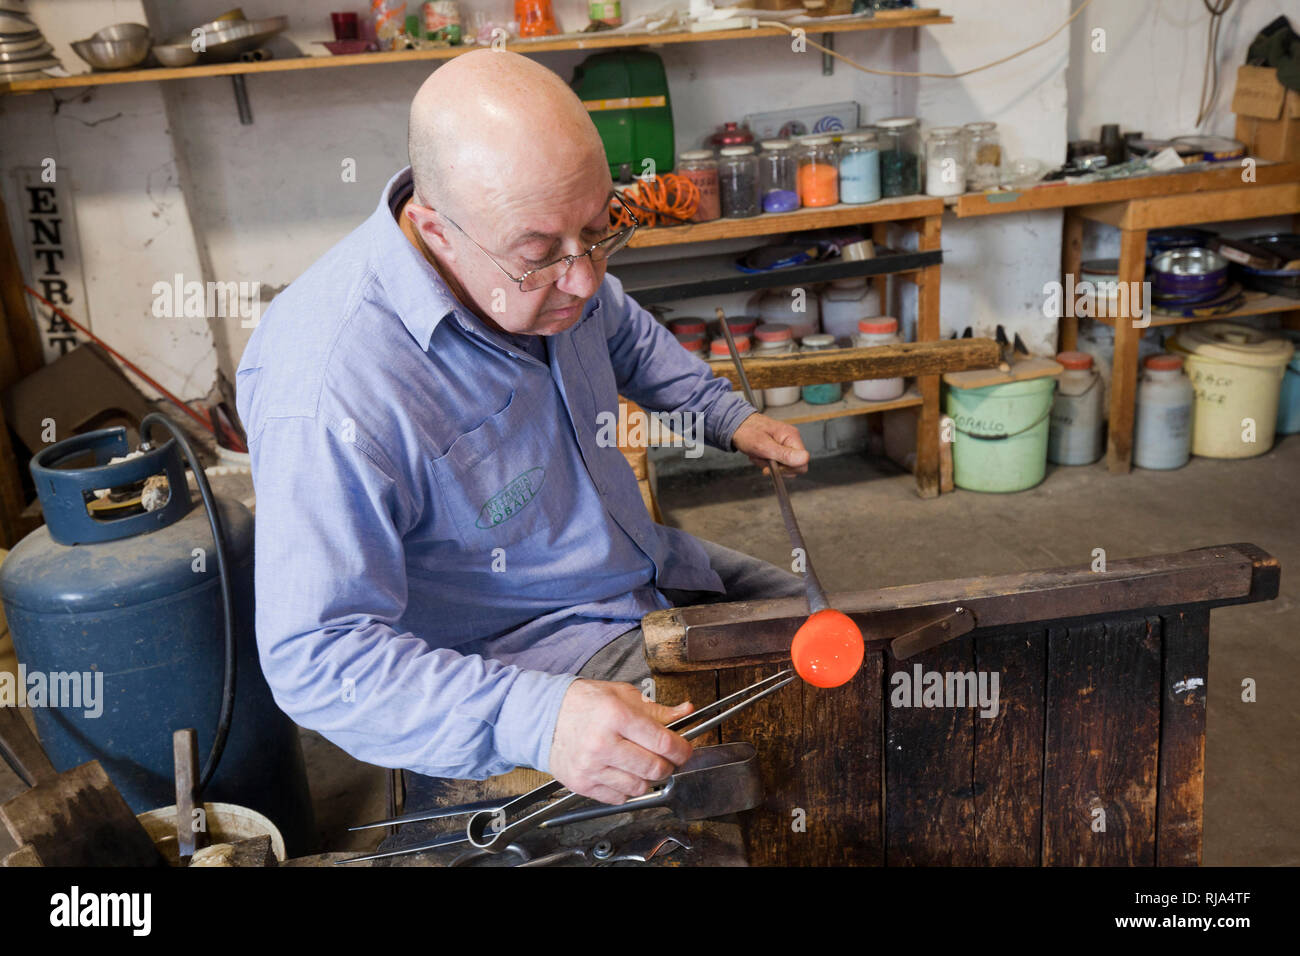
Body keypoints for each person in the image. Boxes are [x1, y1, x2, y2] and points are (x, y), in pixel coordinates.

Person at [236, 49, 810, 809]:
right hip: (528, 657)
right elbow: (316, 656)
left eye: (601, 234)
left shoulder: (556, 255)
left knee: (843, 638)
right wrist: (535, 719)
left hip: (640, 565)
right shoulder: (329, 388)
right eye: (539, 260)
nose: (584, 279)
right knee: (786, 767)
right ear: (436, 231)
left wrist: (725, 416)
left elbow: (623, 333)